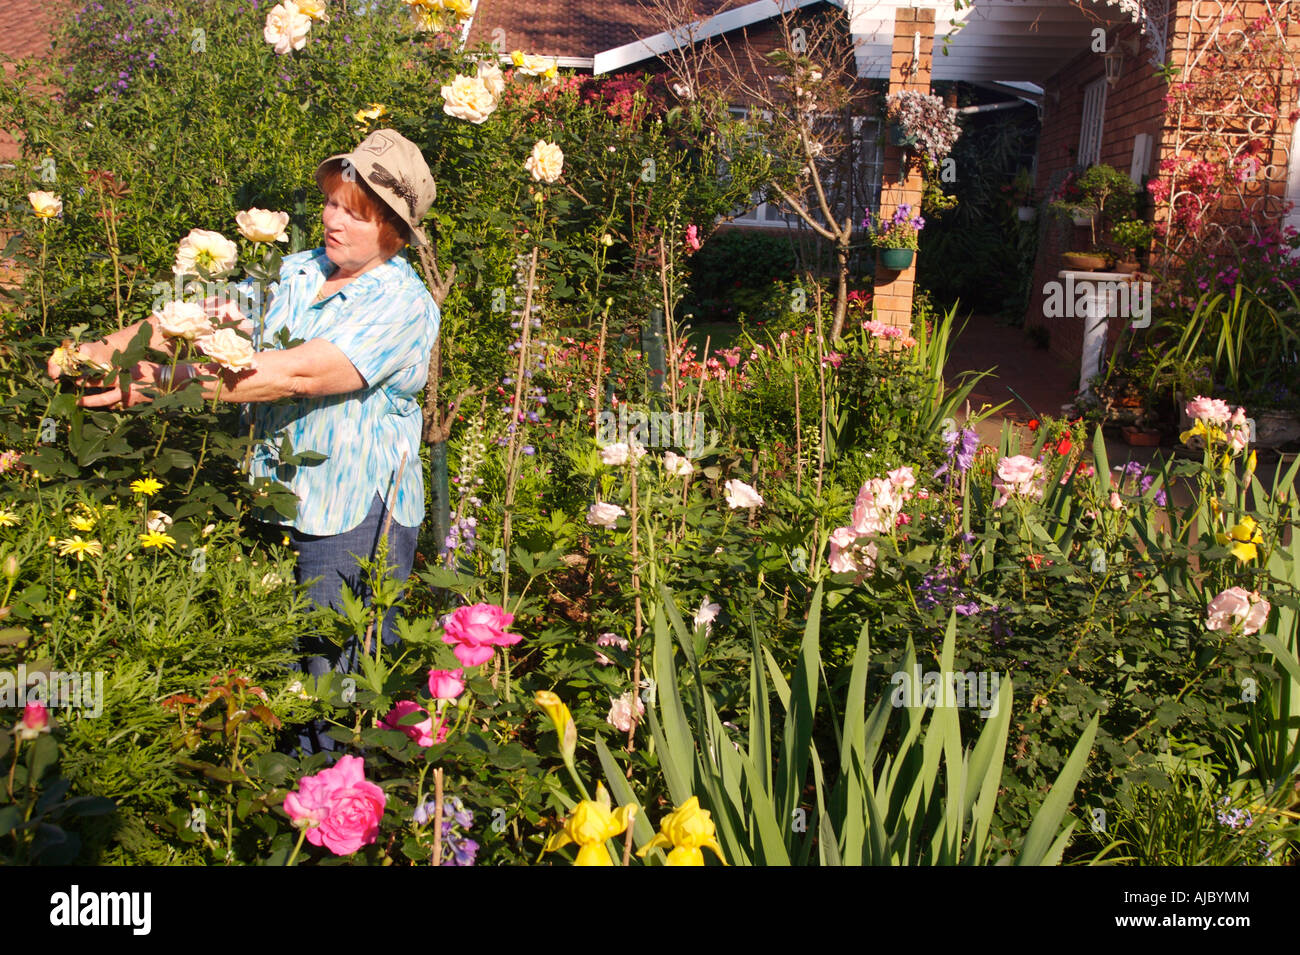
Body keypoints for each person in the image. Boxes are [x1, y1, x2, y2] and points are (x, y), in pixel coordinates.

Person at [47, 128, 441, 677]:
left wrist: (162, 382)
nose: (332, 220)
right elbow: (205, 314)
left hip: (353, 514)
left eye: (354, 213)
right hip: (270, 495)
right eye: (331, 203)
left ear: (394, 231)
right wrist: (100, 350)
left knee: (337, 678)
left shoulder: (402, 304)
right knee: (275, 674)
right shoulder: (302, 270)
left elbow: (296, 374)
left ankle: (342, 762)